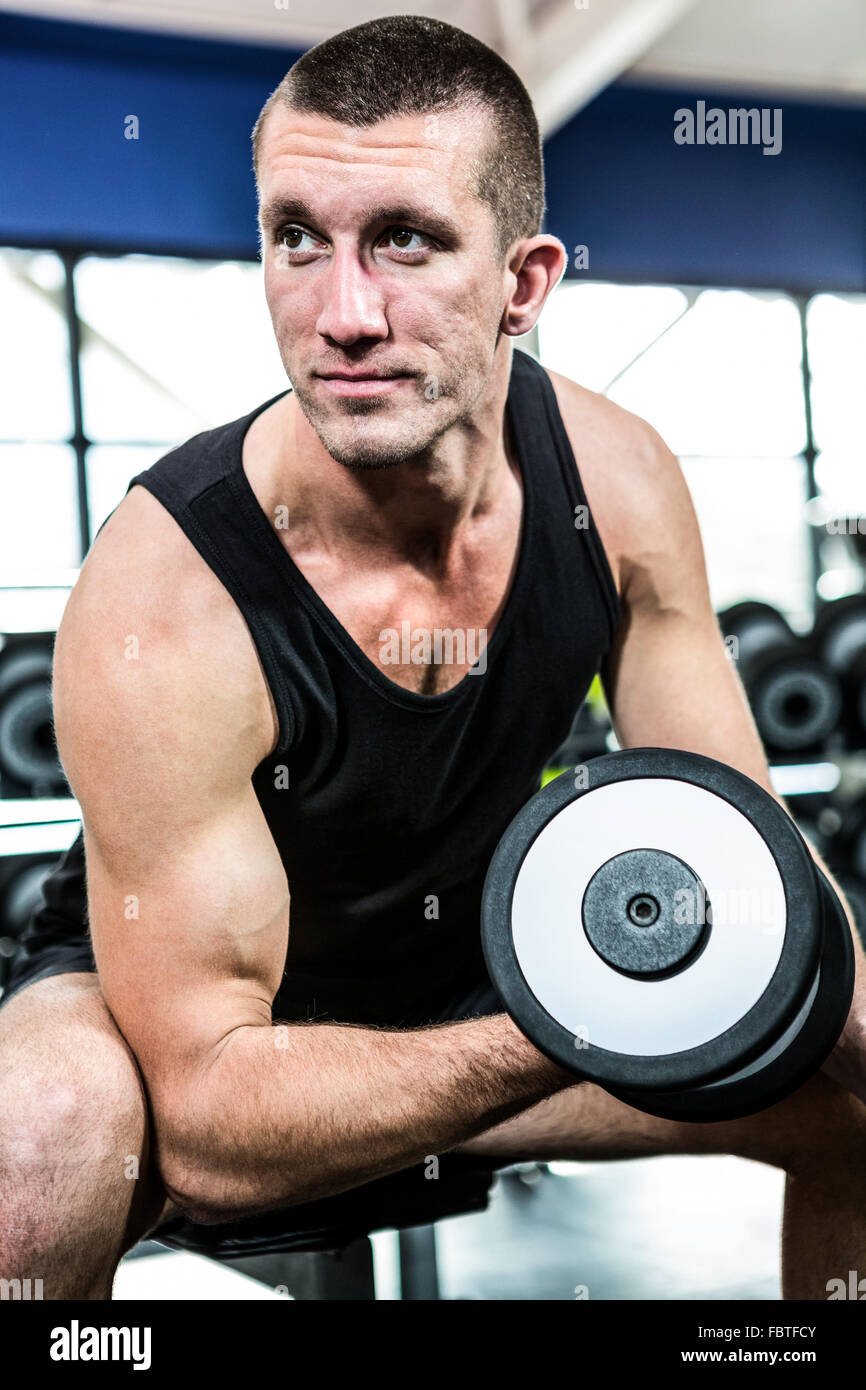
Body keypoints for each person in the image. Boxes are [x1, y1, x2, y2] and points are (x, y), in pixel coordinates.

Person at [1, 15, 864, 1301]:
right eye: (296, 237)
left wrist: (828, 1001)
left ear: (523, 283)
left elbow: (735, 846)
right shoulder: (166, 597)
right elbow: (212, 1118)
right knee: (42, 1140)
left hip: (483, 967)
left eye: (402, 239)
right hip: (200, 1024)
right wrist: (575, 1018)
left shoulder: (614, 482)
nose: (341, 316)